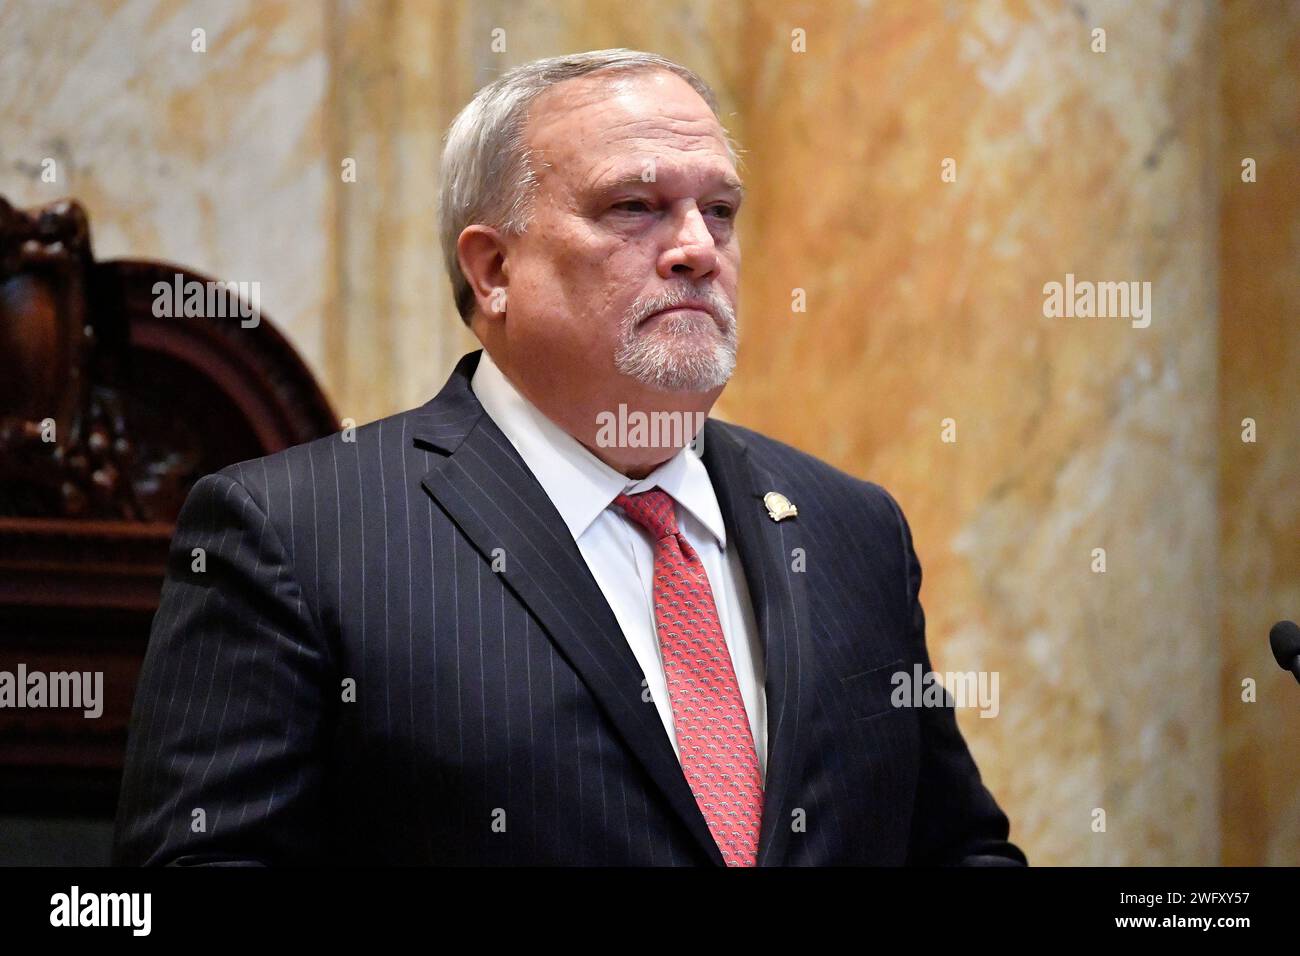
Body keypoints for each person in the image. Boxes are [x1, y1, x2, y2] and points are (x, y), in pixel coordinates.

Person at [113, 48, 1026, 867]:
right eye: (635, 208)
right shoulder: (300, 536)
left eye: (720, 211)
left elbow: (956, 848)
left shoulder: (848, 528)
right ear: (493, 270)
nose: (698, 251)